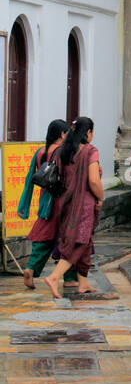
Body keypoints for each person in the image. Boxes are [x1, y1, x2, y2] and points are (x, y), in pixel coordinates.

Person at [43, 118, 104, 300]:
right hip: (84, 204)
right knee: (80, 242)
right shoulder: (90, 151)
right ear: (87, 133)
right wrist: (100, 196)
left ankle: (83, 283)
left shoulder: (63, 150)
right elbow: (93, 180)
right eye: (92, 131)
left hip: (66, 202)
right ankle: (54, 277)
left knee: (85, 240)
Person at [19, 119, 71, 289]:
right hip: (62, 201)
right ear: (63, 134)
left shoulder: (40, 152)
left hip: (45, 202)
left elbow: (30, 180)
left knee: (43, 238)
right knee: (68, 238)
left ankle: (31, 268)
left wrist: (24, 206)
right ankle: (71, 278)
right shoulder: (64, 152)